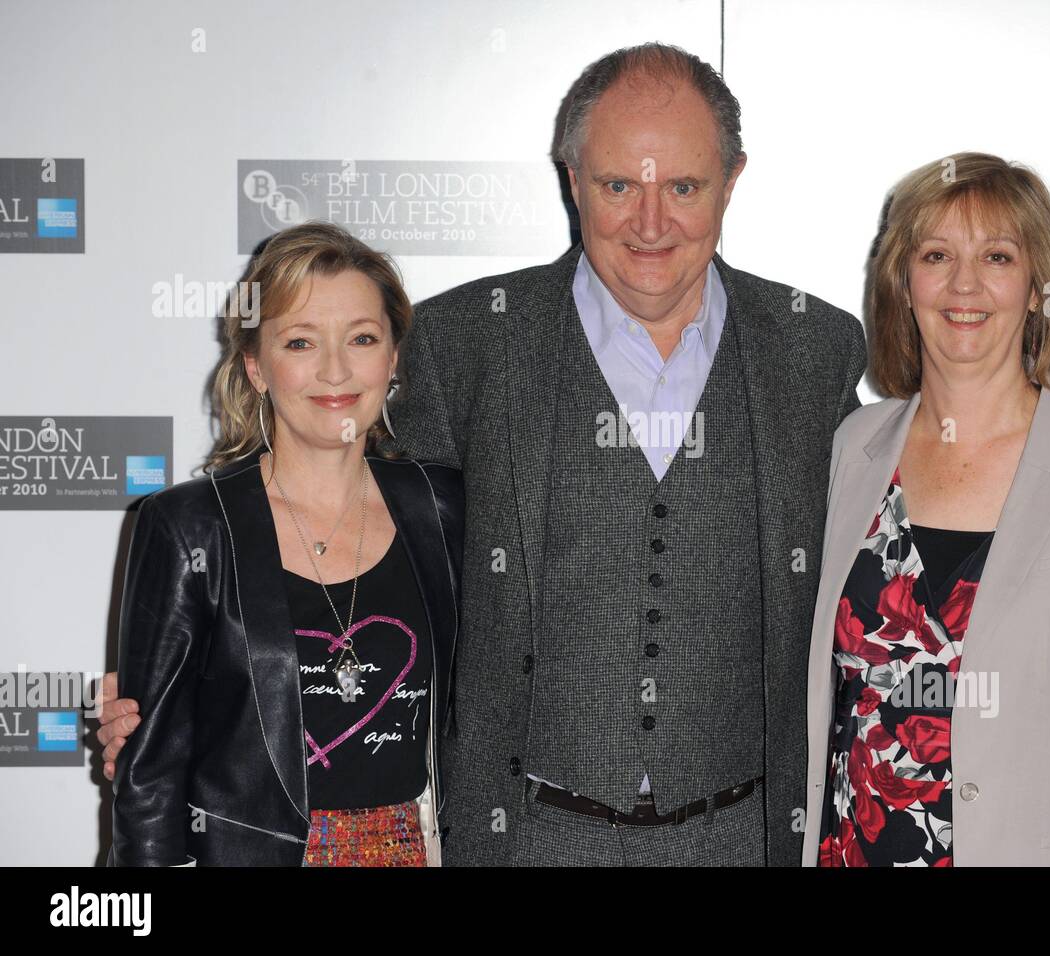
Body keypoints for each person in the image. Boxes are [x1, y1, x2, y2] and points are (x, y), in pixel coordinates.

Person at [99, 43, 865, 867]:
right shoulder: (461, 343)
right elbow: (338, 555)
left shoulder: (811, 351)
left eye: (682, 186)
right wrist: (171, 721)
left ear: (733, 178)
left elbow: (885, 573)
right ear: (571, 179)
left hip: (744, 843)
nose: (651, 223)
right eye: (618, 186)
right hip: (522, 842)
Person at [804, 153, 1050, 867]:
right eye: (936, 255)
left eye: (996, 256)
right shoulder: (853, 448)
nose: (964, 284)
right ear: (904, 280)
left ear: (1037, 286)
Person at [108, 221, 463, 866]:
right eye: (300, 342)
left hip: (420, 850)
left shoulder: (445, 509)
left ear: (392, 359)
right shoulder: (191, 527)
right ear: (256, 367)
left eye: (361, 338)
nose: (334, 370)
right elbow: (148, 770)